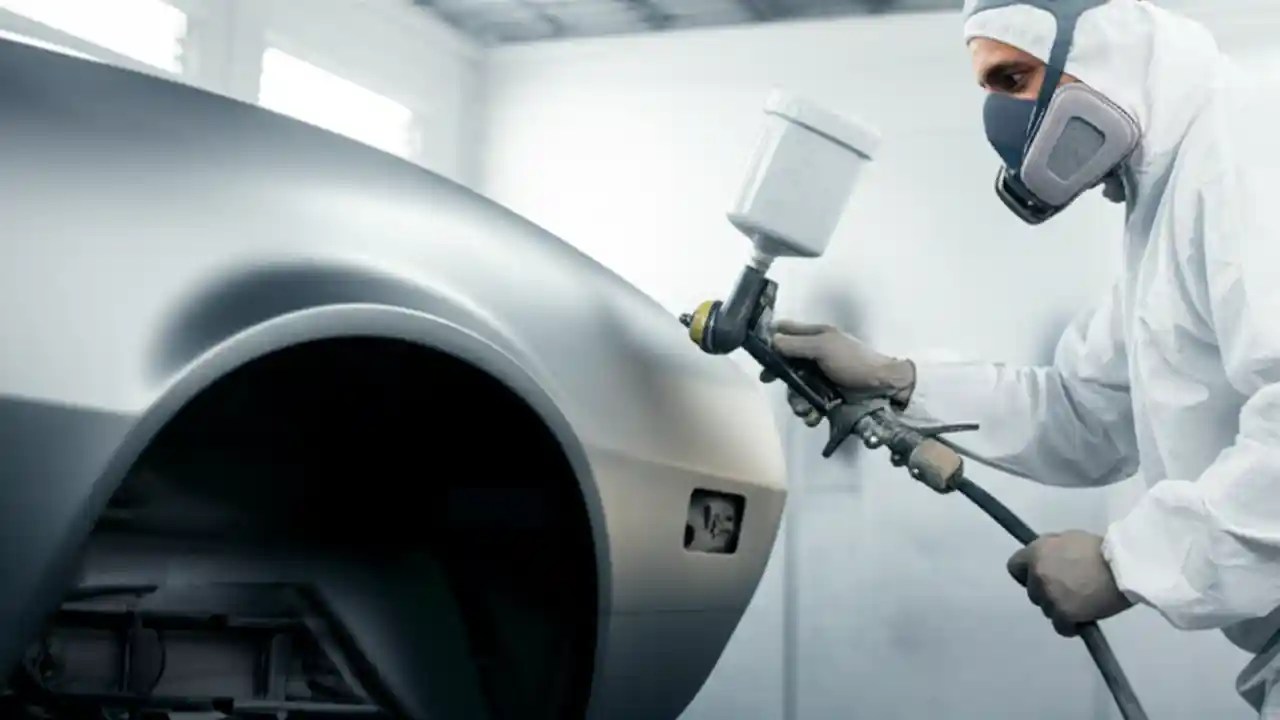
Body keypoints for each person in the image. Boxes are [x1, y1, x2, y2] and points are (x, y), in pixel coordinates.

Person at [765, 0, 1280, 713]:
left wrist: (1126, 565)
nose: (999, 119)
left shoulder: (1244, 143)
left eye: (1013, 78)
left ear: (1098, 47)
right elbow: (1084, 409)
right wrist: (896, 379)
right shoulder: (1166, 194)